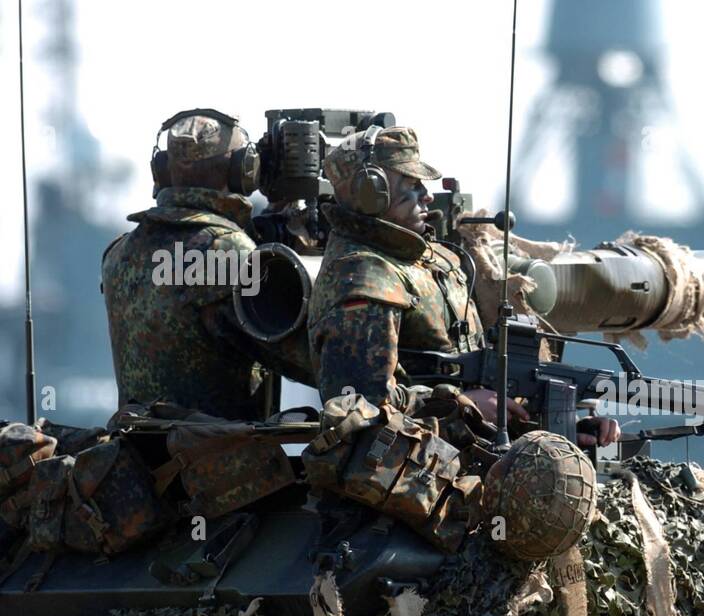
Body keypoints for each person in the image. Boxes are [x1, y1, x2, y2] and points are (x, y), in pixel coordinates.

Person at [309, 125, 618, 448]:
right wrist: (462, 404)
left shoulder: (430, 259)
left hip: (454, 454)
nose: (426, 196)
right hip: (403, 470)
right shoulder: (365, 275)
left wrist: (558, 424)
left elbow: (478, 389)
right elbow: (361, 402)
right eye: (412, 185)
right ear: (372, 194)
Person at [102, 110, 316, 421]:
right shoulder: (225, 250)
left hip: (139, 460)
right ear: (244, 169)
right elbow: (308, 360)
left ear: (161, 169)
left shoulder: (120, 251)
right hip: (220, 462)